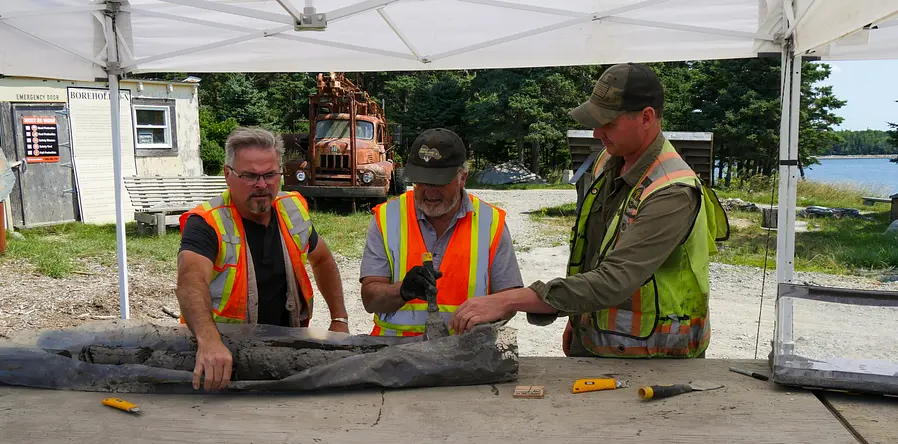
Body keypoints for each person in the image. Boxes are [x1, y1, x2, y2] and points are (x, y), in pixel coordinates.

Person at [451, 63, 726, 358]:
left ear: (646, 117)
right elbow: (594, 253)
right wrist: (579, 319)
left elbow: (615, 279)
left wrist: (510, 299)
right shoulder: (610, 160)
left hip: (656, 358)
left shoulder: (672, 192)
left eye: (608, 123)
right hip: (606, 342)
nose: (596, 133)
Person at [177, 126, 349, 390]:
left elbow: (323, 260)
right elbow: (190, 281)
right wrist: (209, 341)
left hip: (289, 348)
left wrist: (339, 320)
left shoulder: (292, 208)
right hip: (225, 356)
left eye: (270, 174)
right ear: (227, 175)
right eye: (250, 176)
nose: (262, 185)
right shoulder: (207, 223)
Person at [359, 128, 524, 337]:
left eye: (439, 182)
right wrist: (402, 291)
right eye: (421, 181)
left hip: (466, 355)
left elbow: (510, 300)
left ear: (462, 178)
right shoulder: (386, 217)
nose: (429, 191)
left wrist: (486, 311)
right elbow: (370, 299)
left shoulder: (490, 222)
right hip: (395, 355)